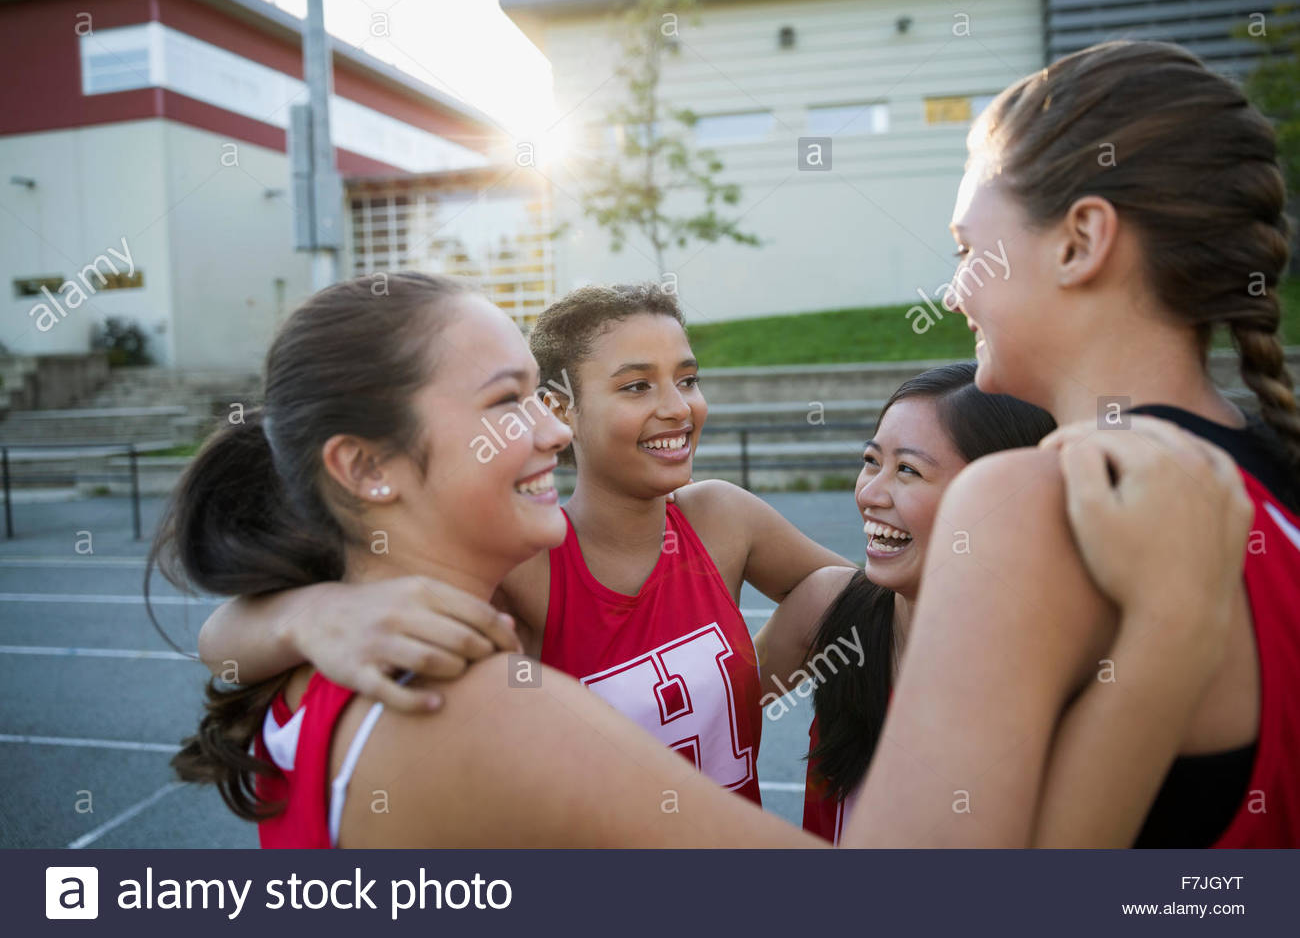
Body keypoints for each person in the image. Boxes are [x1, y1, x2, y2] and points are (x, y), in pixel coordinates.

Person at [154, 271, 1253, 847]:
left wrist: (295, 618)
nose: (547, 429)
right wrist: (1168, 634)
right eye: (511, 403)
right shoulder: (483, 698)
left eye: (539, 399)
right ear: (368, 467)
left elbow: (847, 600)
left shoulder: (343, 653)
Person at [846, 40, 1300, 848]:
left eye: (965, 250)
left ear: (1080, 240)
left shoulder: (1031, 508)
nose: (952, 292)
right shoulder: (1279, 484)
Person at [199, 283, 855, 803]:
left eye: (687, 378)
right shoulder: (522, 571)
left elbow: (869, 608)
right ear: (563, 406)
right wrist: (307, 613)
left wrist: (741, 687)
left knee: (833, 593)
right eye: (635, 385)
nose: (678, 407)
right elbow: (226, 638)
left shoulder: (719, 516)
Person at [749, 363, 1057, 843]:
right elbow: (692, 729)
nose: (870, 493)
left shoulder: (1056, 675)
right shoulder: (829, 609)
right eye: (872, 460)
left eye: (908, 470)